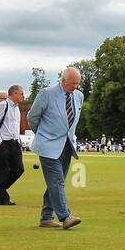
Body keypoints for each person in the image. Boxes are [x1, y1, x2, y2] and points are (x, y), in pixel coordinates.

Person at [26, 66, 84, 229]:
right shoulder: (46, 94)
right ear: (63, 80)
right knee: (56, 181)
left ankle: (45, 217)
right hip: (47, 145)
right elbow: (32, 117)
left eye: (77, 83)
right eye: (73, 83)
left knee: (56, 182)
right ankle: (65, 216)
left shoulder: (79, 96)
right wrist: (42, 134)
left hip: (67, 145)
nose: (75, 87)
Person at [0, 84, 25, 206]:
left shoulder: (17, 107)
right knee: (2, 171)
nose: (23, 96)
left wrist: (18, 140)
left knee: (19, 169)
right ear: (14, 93)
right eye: (21, 94)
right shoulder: (3, 105)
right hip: (4, 142)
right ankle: (3, 197)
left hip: (15, 142)